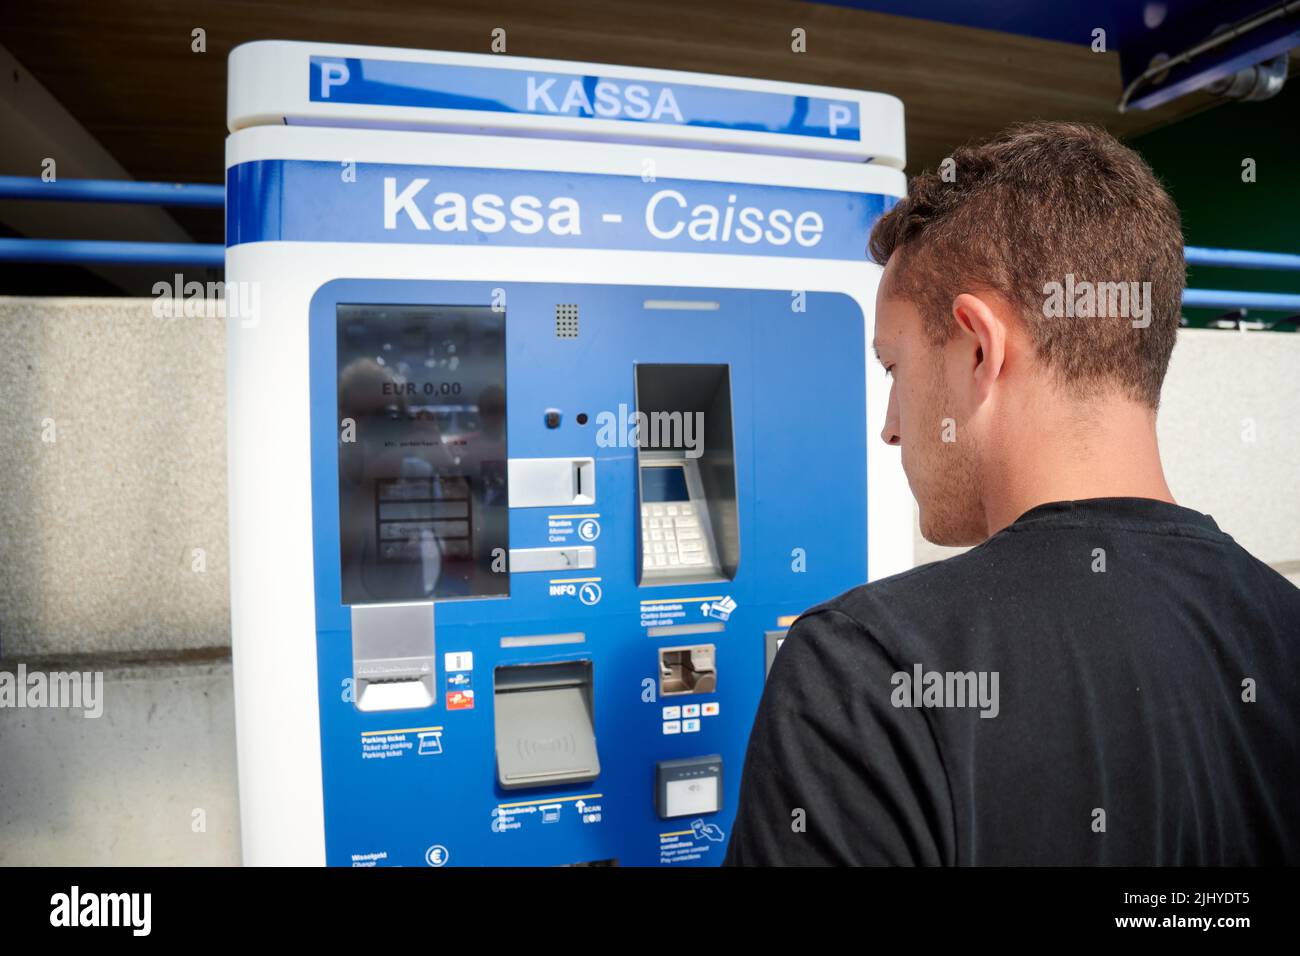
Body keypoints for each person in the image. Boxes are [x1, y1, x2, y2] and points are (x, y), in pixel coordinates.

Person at [724, 121, 1300, 865]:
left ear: (977, 347)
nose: (890, 428)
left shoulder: (865, 671)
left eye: (893, 369)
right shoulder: (1284, 632)